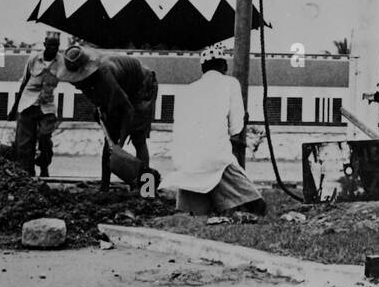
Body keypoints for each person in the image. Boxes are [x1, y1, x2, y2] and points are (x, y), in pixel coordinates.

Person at [168, 44, 266, 216]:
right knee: (258, 208)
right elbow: (236, 128)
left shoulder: (187, 91)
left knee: (195, 212)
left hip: (186, 163)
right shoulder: (230, 83)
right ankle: (228, 205)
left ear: (202, 69)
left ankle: (209, 206)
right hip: (217, 159)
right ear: (224, 66)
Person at [53, 44, 160, 191]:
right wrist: (99, 111)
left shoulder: (105, 74)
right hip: (123, 88)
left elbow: (128, 110)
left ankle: (146, 189)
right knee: (108, 139)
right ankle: (104, 188)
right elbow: (99, 101)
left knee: (138, 138)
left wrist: (119, 145)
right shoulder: (85, 81)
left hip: (142, 85)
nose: (75, 83)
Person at [8, 31, 62, 177]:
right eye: (50, 45)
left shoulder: (61, 62)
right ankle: (28, 173)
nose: (53, 49)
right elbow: (24, 82)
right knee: (25, 143)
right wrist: (14, 108)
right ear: (45, 44)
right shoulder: (33, 58)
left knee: (45, 137)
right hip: (28, 103)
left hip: (47, 105)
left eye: (56, 46)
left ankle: (44, 165)